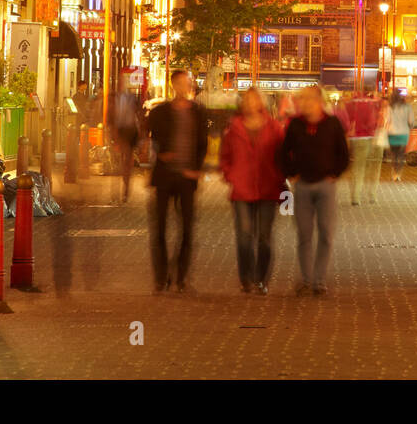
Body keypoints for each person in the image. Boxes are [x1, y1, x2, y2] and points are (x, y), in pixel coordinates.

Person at [277, 85, 350, 296]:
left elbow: (343, 154)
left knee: (326, 233)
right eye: (302, 100)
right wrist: (292, 174)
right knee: (304, 234)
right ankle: (307, 279)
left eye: (308, 99)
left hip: (326, 186)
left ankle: (319, 280)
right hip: (302, 186)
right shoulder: (296, 125)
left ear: (319, 101)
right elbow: (284, 152)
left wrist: (335, 173)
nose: (304, 103)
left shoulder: (332, 124)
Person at [144, 69, 208, 293]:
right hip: (164, 176)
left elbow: (202, 144)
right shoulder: (161, 111)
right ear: (173, 85)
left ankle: (181, 276)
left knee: (188, 228)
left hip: (187, 177)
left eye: (187, 83)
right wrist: (161, 151)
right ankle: (161, 278)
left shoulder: (198, 112)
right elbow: (150, 133)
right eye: (179, 83)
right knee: (159, 228)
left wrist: (197, 169)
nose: (184, 87)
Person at [219, 87, 285, 295]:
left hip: (268, 187)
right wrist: (230, 175)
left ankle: (261, 279)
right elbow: (225, 154)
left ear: (261, 103)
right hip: (242, 188)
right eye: (246, 100)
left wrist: (279, 176)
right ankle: (246, 278)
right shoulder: (234, 127)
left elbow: (282, 154)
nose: (249, 103)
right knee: (244, 236)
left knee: (264, 237)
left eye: (253, 100)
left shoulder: (274, 127)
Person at [110, 72, 143, 204]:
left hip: (129, 131)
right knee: (117, 160)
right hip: (119, 130)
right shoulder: (113, 97)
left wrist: (141, 133)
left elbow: (139, 114)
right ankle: (118, 190)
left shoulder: (132, 98)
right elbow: (110, 116)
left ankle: (125, 190)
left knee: (126, 159)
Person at [345, 89, 381, 205]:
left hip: (355, 139)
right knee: (372, 167)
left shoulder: (351, 103)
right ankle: (372, 195)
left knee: (357, 166)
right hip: (369, 137)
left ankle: (355, 196)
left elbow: (346, 121)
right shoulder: (372, 103)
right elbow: (373, 121)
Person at [385, 90, 413, 181]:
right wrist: (409, 127)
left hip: (392, 133)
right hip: (403, 133)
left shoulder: (390, 107)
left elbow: (387, 120)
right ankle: (398, 174)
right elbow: (411, 121)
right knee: (401, 155)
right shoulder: (407, 107)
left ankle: (393, 172)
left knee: (394, 154)